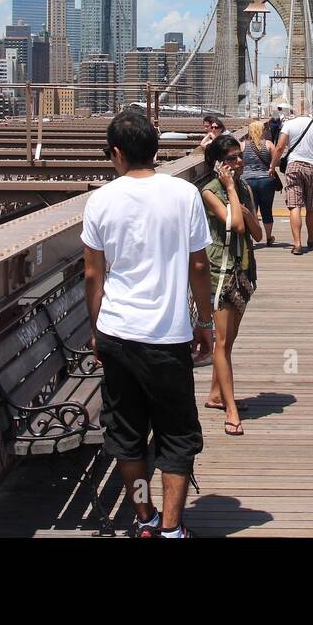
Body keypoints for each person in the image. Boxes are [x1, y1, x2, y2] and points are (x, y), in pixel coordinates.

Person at [82, 110, 214, 538]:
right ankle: (172, 530)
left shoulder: (99, 200)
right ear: (155, 150)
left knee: (126, 435)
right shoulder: (184, 194)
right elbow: (199, 265)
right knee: (176, 435)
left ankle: (146, 518)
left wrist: (96, 328)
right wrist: (205, 321)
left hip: (118, 334)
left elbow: (91, 275)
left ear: (117, 153)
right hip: (168, 337)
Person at [200, 135, 263, 436]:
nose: (238, 162)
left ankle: (215, 395)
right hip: (220, 273)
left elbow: (258, 233)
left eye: (240, 157)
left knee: (229, 340)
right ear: (217, 163)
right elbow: (237, 226)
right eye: (231, 159)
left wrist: (240, 202)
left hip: (243, 270)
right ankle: (231, 409)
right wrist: (229, 189)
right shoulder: (210, 192)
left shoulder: (244, 187)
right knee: (222, 344)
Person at [268, 99, 313, 255]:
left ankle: (297, 244)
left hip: (293, 166)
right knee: (311, 207)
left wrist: (272, 166)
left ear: (295, 109)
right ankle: (311, 238)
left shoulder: (288, 125)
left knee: (295, 206)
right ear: (309, 109)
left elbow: (279, 147)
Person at [241, 120, 279, 247]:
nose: (265, 131)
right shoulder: (268, 144)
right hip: (266, 180)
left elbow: (239, 161)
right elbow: (276, 161)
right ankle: (268, 237)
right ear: (260, 131)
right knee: (266, 209)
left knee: (252, 210)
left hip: (247, 180)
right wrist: (271, 167)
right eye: (264, 129)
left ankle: (252, 238)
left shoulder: (243, 145)